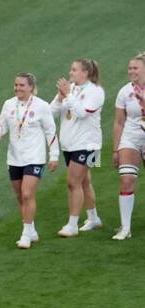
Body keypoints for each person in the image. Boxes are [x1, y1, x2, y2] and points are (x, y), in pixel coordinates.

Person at [0, 73, 59, 249]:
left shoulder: (41, 106)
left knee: (27, 193)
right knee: (20, 196)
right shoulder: (8, 104)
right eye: (16, 85)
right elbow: (2, 125)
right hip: (14, 158)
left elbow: (50, 131)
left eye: (22, 85)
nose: (18, 88)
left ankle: (26, 234)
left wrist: (54, 155)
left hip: (34, 158)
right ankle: (32, 229)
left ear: (31, 87)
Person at [51, 58, 105, 238]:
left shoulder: (95, 92)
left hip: (88, 145)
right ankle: (93, 218)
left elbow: (82, 113)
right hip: (70, 144)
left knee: (73, 182)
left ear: (86, 73)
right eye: (71, 69)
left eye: (74, 70)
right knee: (84, 181)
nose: (71, 72)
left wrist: (68, 95)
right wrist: (60, 97)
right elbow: (52, 112)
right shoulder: (70, 89)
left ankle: (72, 224)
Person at [110, 55, 145, 240]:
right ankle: (125, 228)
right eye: (130, 68)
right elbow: (118, 122)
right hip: (130, 137)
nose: (131, 71)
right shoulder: (125, 91)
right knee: (126, 179)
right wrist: (116, 149)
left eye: (135, 68)